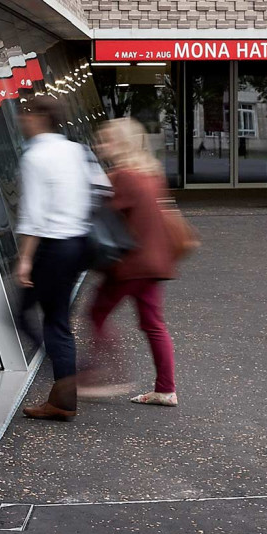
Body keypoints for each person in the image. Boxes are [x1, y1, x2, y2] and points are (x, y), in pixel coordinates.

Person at [89, 118, 181, 405]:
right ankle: (165, 389)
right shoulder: (151, 173)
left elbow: (98, 217)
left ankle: (110, 376)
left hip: (129, 265)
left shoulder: (123, 177)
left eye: (106, 140)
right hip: (155, 262)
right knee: (153, 324)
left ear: (123, 143)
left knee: (96, 315)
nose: (99, 145)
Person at [15, 94, 95, 421]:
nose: (21, 120)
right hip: (77, 244)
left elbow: (33, 215)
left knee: (25, 314)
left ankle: (67, 385)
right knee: (56, 319)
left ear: (38, 118)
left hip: (51, 247)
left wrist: (24, 259)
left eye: (24, 115)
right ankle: (65, 388)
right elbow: (97, 189)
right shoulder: (76, 150)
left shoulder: (35, 156)